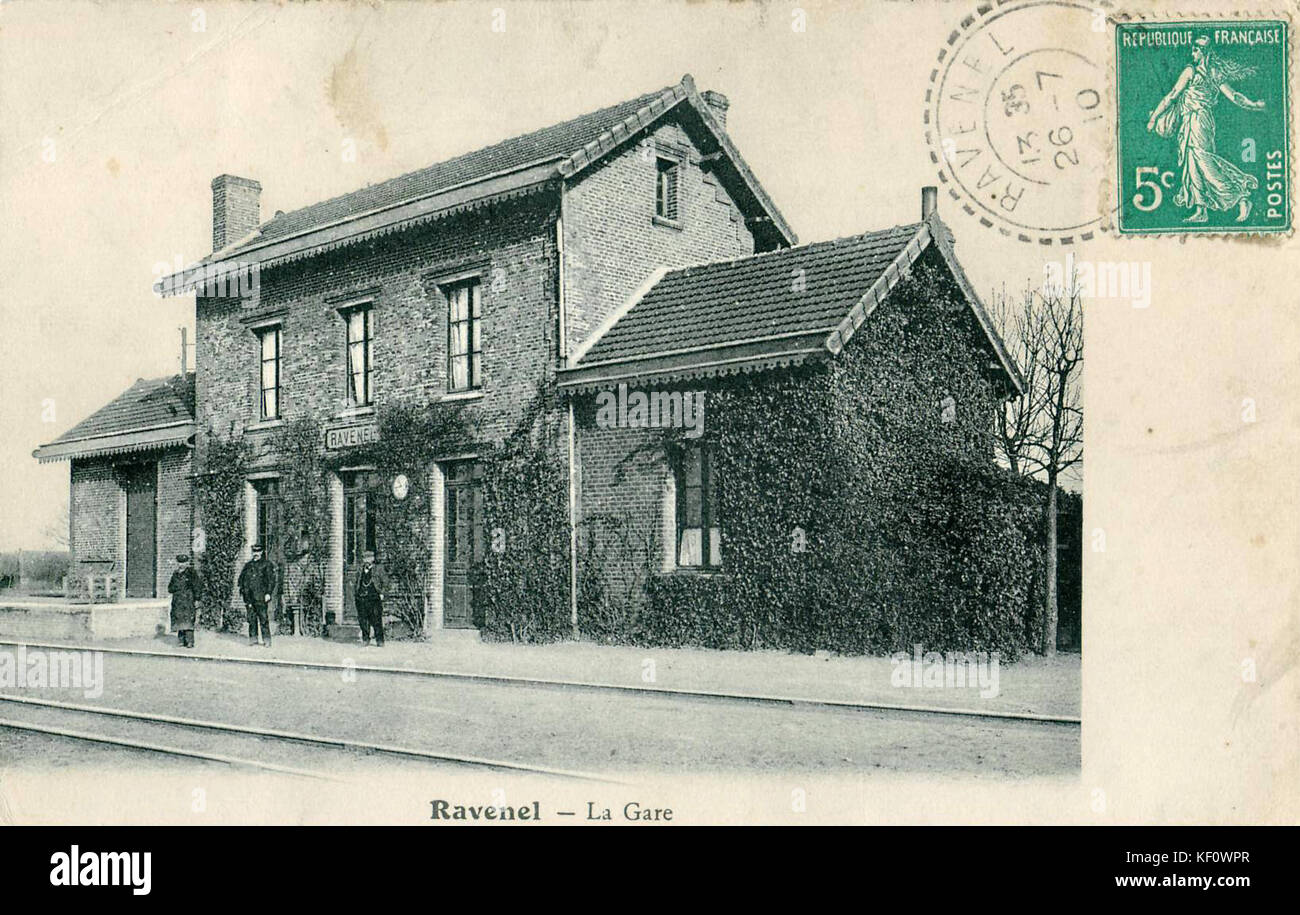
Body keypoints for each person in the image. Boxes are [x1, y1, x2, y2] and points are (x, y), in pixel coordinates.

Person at [1146, 36, 1266, 223]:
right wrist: (1253, 105)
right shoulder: (1209, 72)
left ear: (1203, 52)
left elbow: (1172, 96)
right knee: (1192, 164)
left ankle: (1241, 195)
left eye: (1195, 50)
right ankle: (1201, 210)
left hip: (1199, 121)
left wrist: (1154, 118)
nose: (1192, 53)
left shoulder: (1194, 71)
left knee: (1203, 161)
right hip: (1191, 121)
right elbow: (1234, 96)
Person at [238, 543, 277, 647]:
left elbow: (271, 581)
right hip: (249, 597)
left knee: (263, 618)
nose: (256, 554)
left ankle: (267, 640)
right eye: (254, 552)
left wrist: (268, 593)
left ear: (261, 552)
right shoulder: (248, 565)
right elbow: (241, 579)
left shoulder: (266, 564)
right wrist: (243, 590)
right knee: (251, 619)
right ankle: (253, 639)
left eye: (258, 551)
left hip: (261, 596)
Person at [352, 550, 390, 647]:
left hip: (374, 598)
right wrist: (356, 593)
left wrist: (382, 593)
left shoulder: (379, 569)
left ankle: (380, 640)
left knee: (376, 619)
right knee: (363, 619)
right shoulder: (360, 569)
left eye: (369, 558)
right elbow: (357, 582)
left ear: (373, 559)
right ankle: (365, 639)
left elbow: (386, 582)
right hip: (361, 598)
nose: (367, 560)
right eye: (365, 558)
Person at [168, 553, 198, 649]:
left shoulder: (191, 573)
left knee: (188, 619)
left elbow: (197, 586)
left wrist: (197, 599)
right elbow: (170, 587)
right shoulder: (175, 574)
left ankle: (189, 641)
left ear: (187, 563)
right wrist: (174, 588)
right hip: (178, 600)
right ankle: (181, 640)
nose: (182, 565)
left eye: (184, 562)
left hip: (188, 599)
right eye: (180, 563)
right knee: (179, 619)